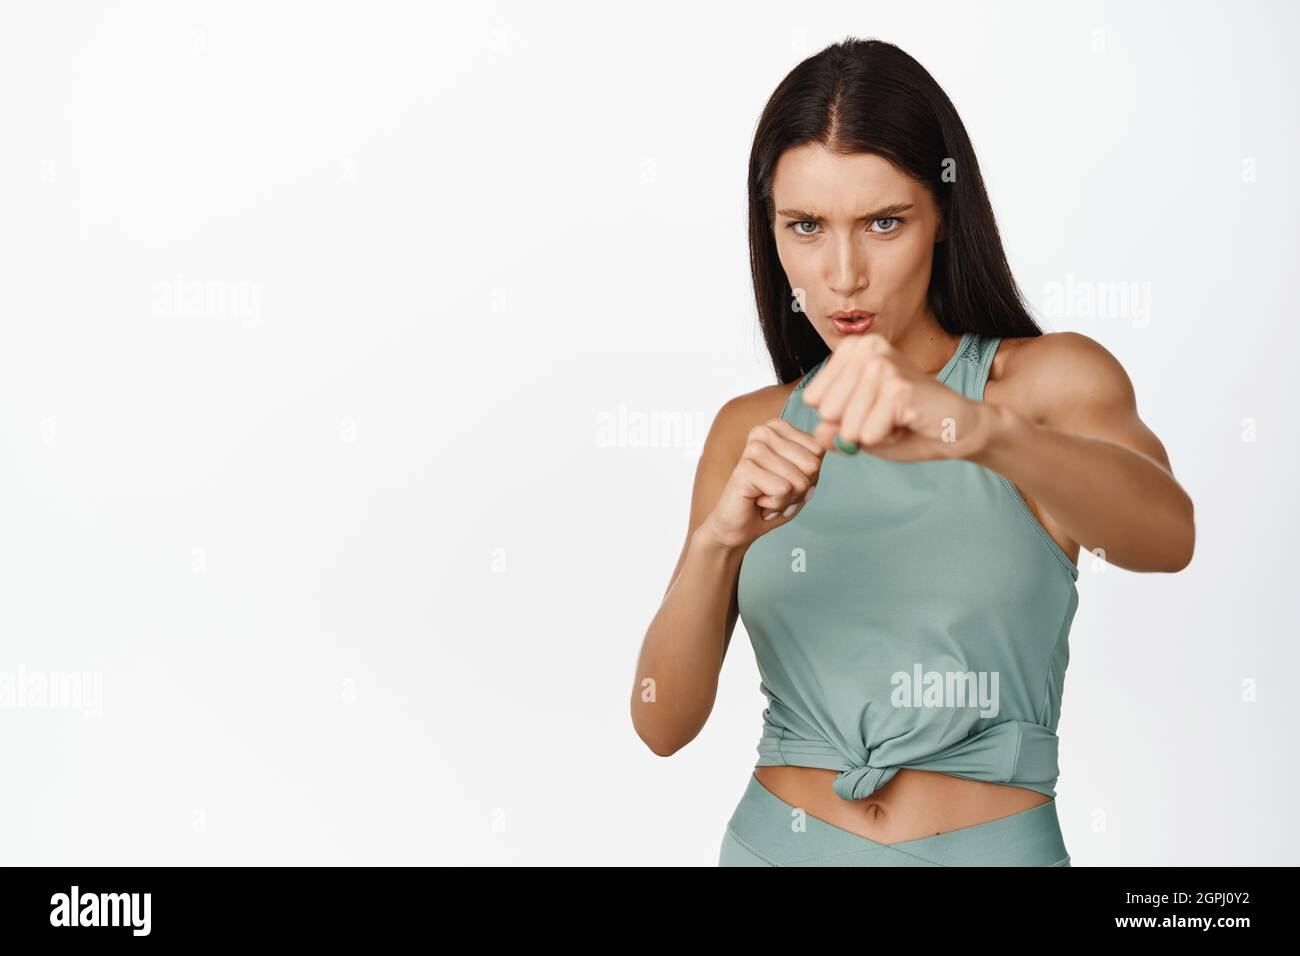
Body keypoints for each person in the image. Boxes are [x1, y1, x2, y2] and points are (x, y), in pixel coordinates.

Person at [629, 37, 1195, 867]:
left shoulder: (1041, 384)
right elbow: (660, 724)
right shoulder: (749, 430)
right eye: (806, 227)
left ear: (943, 219)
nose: (843, 274)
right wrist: (719, 542)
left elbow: (1168, 538)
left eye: (883, 222)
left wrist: (983, 434)